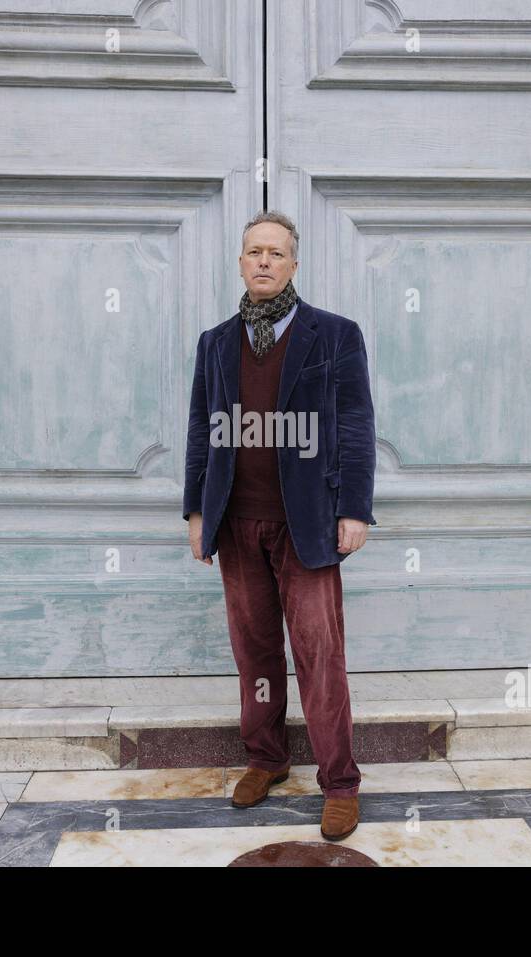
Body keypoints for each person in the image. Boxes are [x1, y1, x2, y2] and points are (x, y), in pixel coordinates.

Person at [182, 209, 377, 841]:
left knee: (320, 653)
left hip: (310, 524)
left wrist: (354, 508)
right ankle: (266, 759)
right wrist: (195, 513)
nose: (263, 261)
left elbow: (354, 426)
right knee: (255, 652)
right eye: (253, 252)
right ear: (240, 263)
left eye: (275, 252)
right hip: (237, 524)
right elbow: (200, 431)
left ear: (294, 264)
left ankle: (340, 782)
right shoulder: (215, 343)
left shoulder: (335, 335)